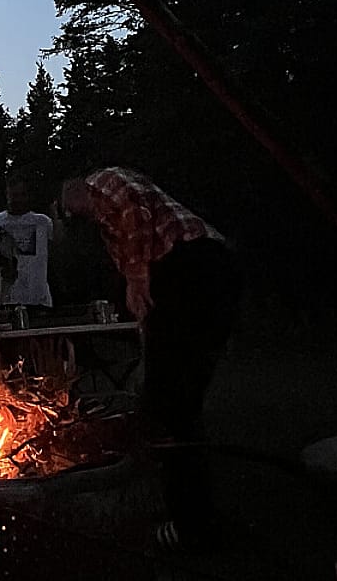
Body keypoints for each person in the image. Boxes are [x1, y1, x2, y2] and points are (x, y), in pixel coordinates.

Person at [60, 167, 241, 553]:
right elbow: (140, 281)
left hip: (195, 265)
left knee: (171, 401)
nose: (74, 216)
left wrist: (138, 278)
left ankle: (193, 523)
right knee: (175, 402)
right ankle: (191, 516)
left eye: (69, 209)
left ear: (73, 191)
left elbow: (134, 208)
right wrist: (146, 314)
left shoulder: (104, 182)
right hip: (195, 275)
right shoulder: (109, 226)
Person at [0, 175, 53, 312]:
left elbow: (55, 253)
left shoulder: (43, 222)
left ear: (28, 196)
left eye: (21, 195)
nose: (17, 200)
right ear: (7, 195)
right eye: (13, 195)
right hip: (8, 299)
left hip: (39, 299)